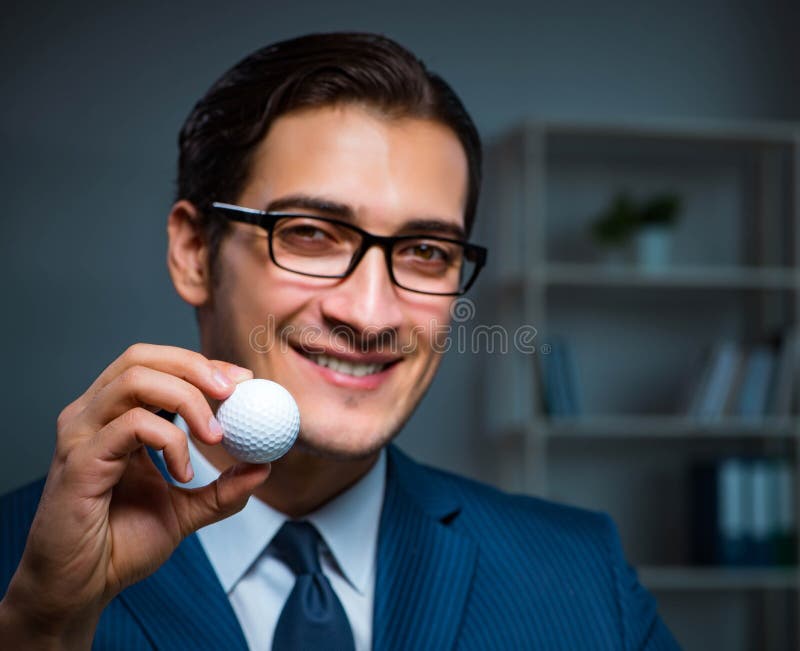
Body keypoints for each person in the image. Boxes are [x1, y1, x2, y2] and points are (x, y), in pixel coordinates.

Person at [0, 32, 679, 650]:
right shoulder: (22, 575)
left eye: (424, 250)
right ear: (193, 253)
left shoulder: (582, 574)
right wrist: (43, 630)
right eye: (309, 234)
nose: (372, 312)